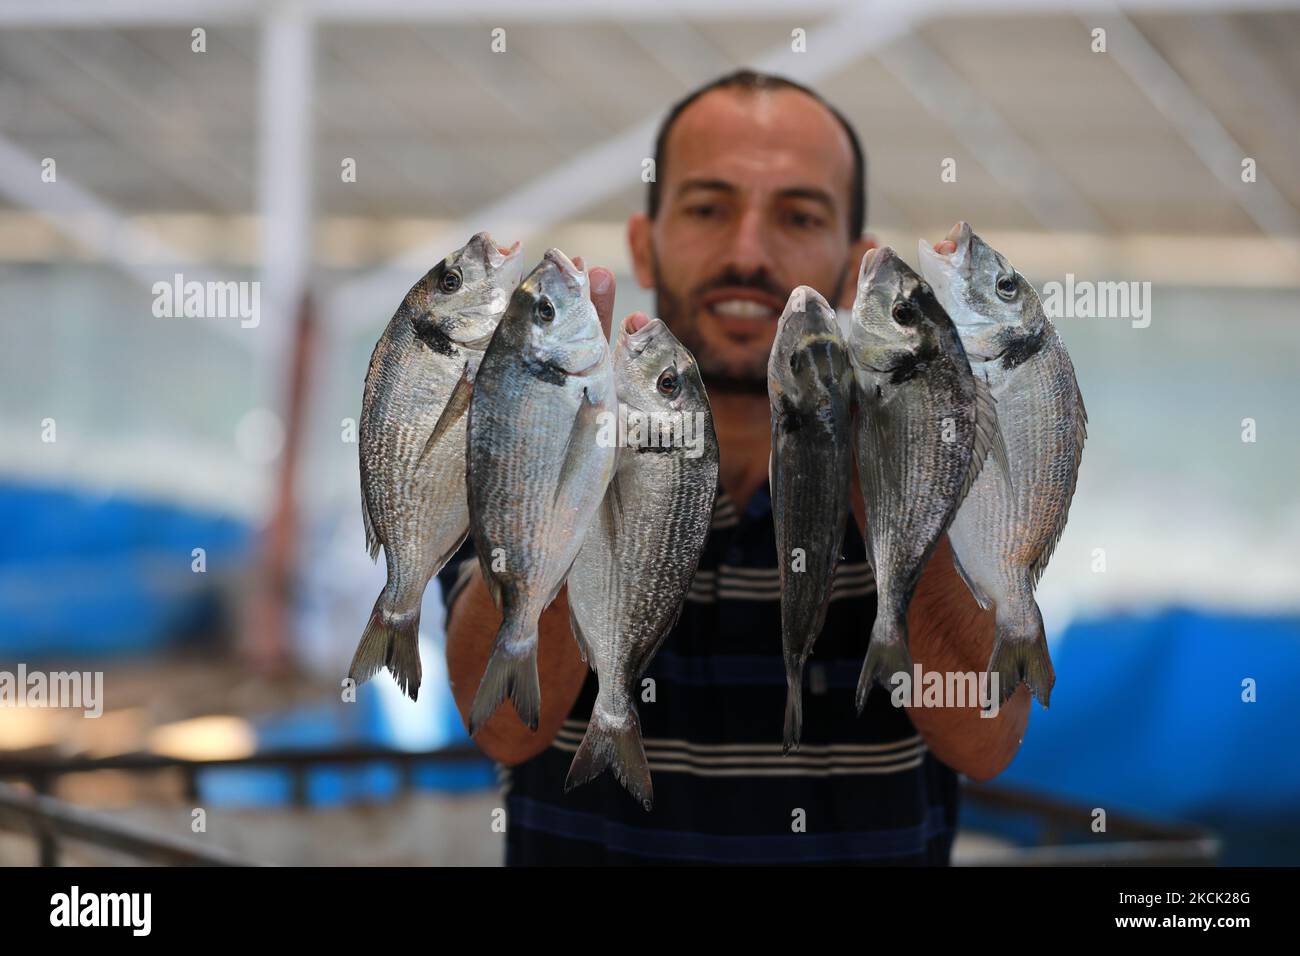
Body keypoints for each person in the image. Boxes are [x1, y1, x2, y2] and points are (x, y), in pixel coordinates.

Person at [438, 69, 1030, 865]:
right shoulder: (534, 437)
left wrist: (889, 483)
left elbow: (986, 737)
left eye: (798, 214)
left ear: (858, 265)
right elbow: (504, 728)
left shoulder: (943, 443)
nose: (749, 252)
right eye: (708, 208)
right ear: (646, 242)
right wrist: (557, 471)